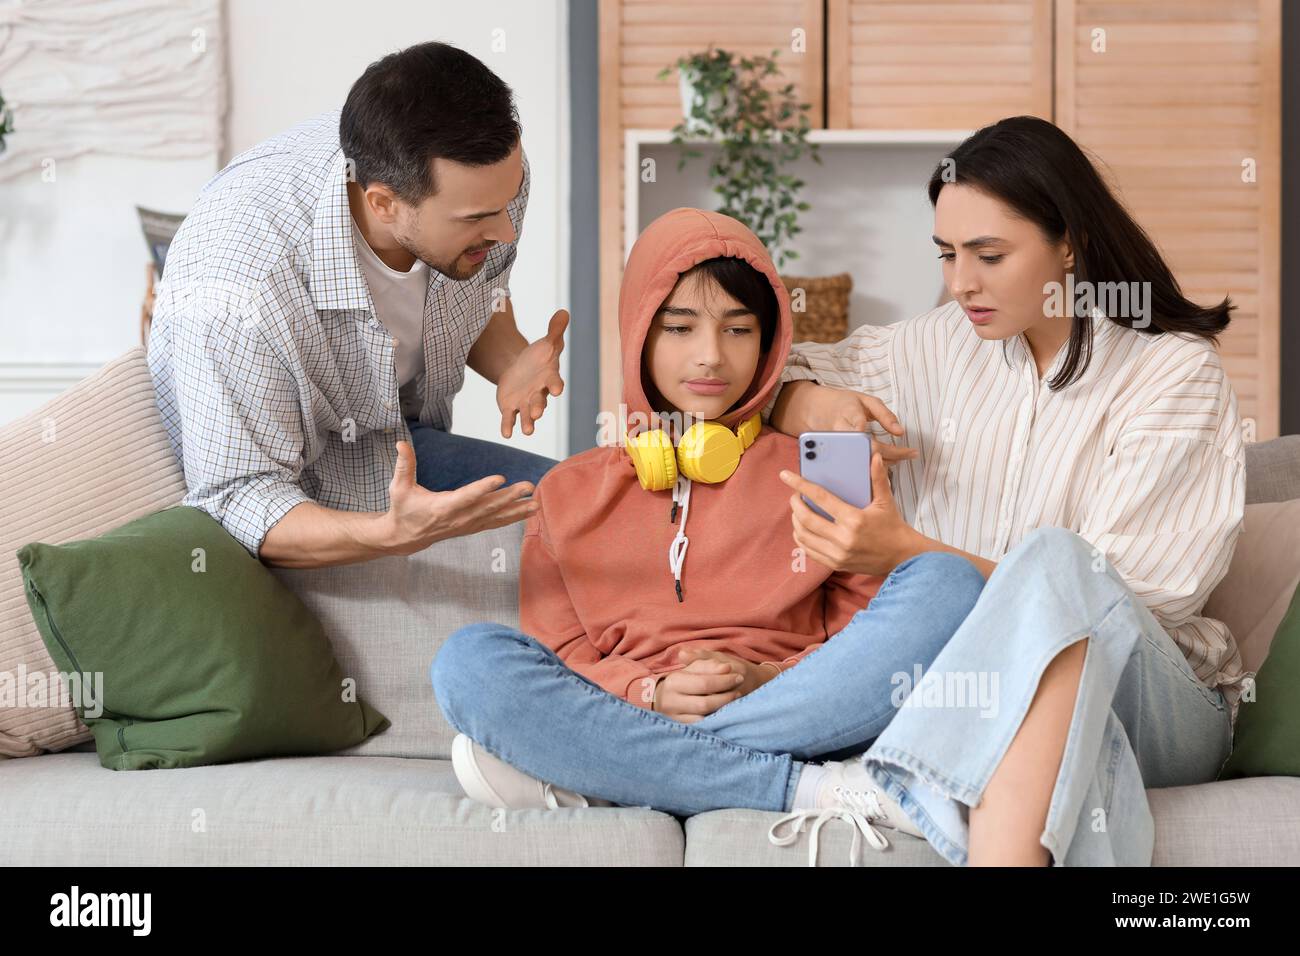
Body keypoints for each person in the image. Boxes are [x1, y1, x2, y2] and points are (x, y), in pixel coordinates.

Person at [430, 207, 986, 863]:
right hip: (649, 712)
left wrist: (765, 678)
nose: (711, 357)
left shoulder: (825, 464)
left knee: (948, 583)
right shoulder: (568, 492)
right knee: (468, 665)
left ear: (769, 341)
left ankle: (612, 775)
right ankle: (810, 790)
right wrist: (651, 694)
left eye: (739, 329)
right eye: (680, 327)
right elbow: (560, 654)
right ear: (639, 333)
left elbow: (859, 643)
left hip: (794, 711)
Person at [768, 115, 1247, 865]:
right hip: (985, 699)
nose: (962, 282)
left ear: (1069, 243)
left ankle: (905, 773)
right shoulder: (934, 344)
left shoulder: (1172, 375)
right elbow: (773, 370)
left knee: (1060, 563)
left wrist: (911, 555)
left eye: (989, 255)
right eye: (948, 254)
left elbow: (1121, 609)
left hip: (1154, 700)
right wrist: (822, 407)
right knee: (1033, 711)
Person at [148, 41, 564, 570]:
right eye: (480, 217)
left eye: (507, 204)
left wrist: (510, 360)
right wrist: (388, 535)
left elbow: (475, 284)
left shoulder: (485, 183)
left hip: (403, 444)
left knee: (602, 509)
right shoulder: (238, 294)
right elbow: (236, 500)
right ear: (384, 204)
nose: (505, 229)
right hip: (299, 490)